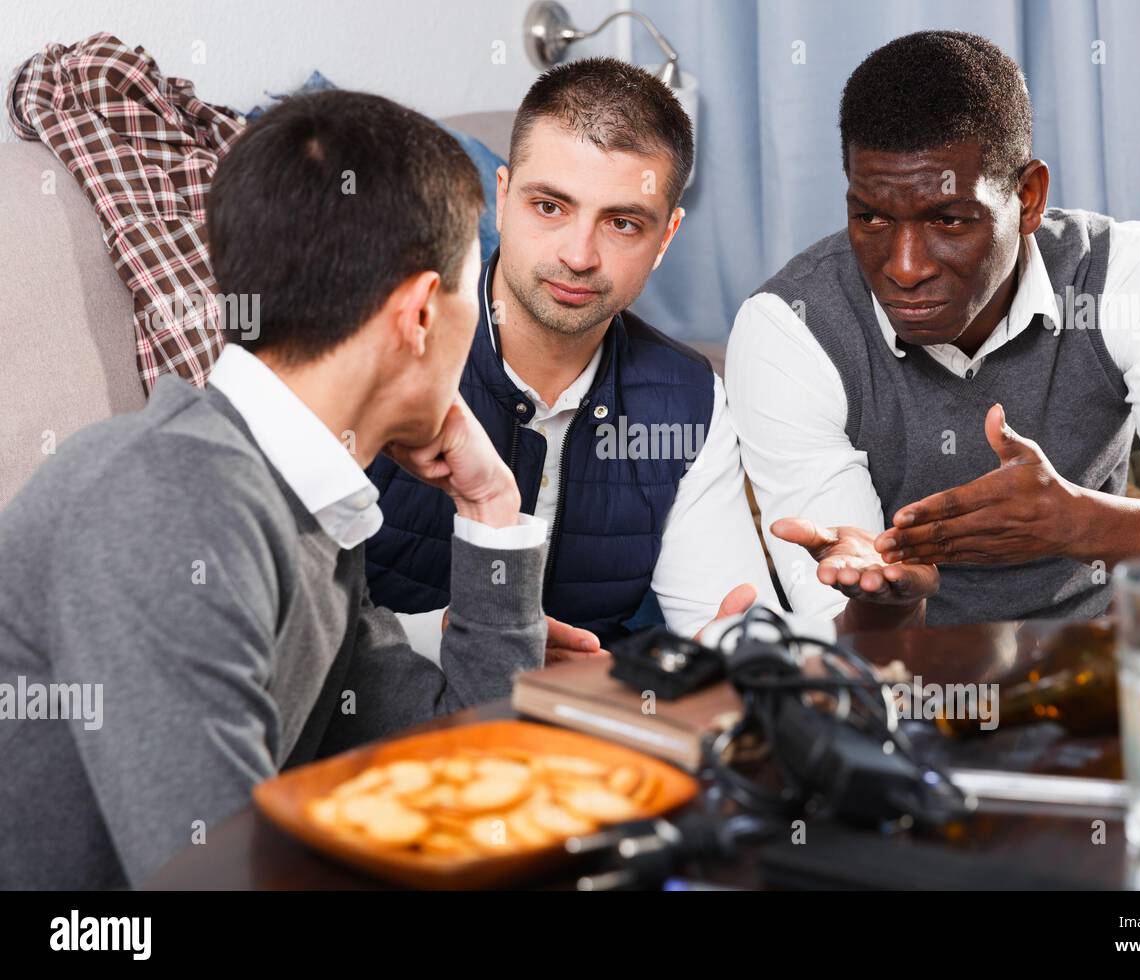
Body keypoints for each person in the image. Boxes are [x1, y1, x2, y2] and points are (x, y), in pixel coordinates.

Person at [0, 90, 548, 888]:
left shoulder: (307, 504)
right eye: (475, 285)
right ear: (423, 314)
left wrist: (493, 509)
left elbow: (467, 770)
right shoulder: (166, 502)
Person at [726, 30, 1140, 631]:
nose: (905, 267)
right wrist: (886, 604)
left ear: (1028, 198)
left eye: (948, 219)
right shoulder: (790, 329)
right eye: (871, 216)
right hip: (906, 686)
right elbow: (847, 642)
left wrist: (1077, 521)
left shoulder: (1129, 277)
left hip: (1099, 670)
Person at [365, 58, 776, 661]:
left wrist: (724, 658)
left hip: (584, 726)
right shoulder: (378, 349)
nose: (579, 255)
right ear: (501, 199)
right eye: (551, 207)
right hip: (380, 727)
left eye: (623, 222)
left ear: (666, 238)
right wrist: (464, 635)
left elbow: (728, 621)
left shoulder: (687, 396)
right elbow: (289, 620)